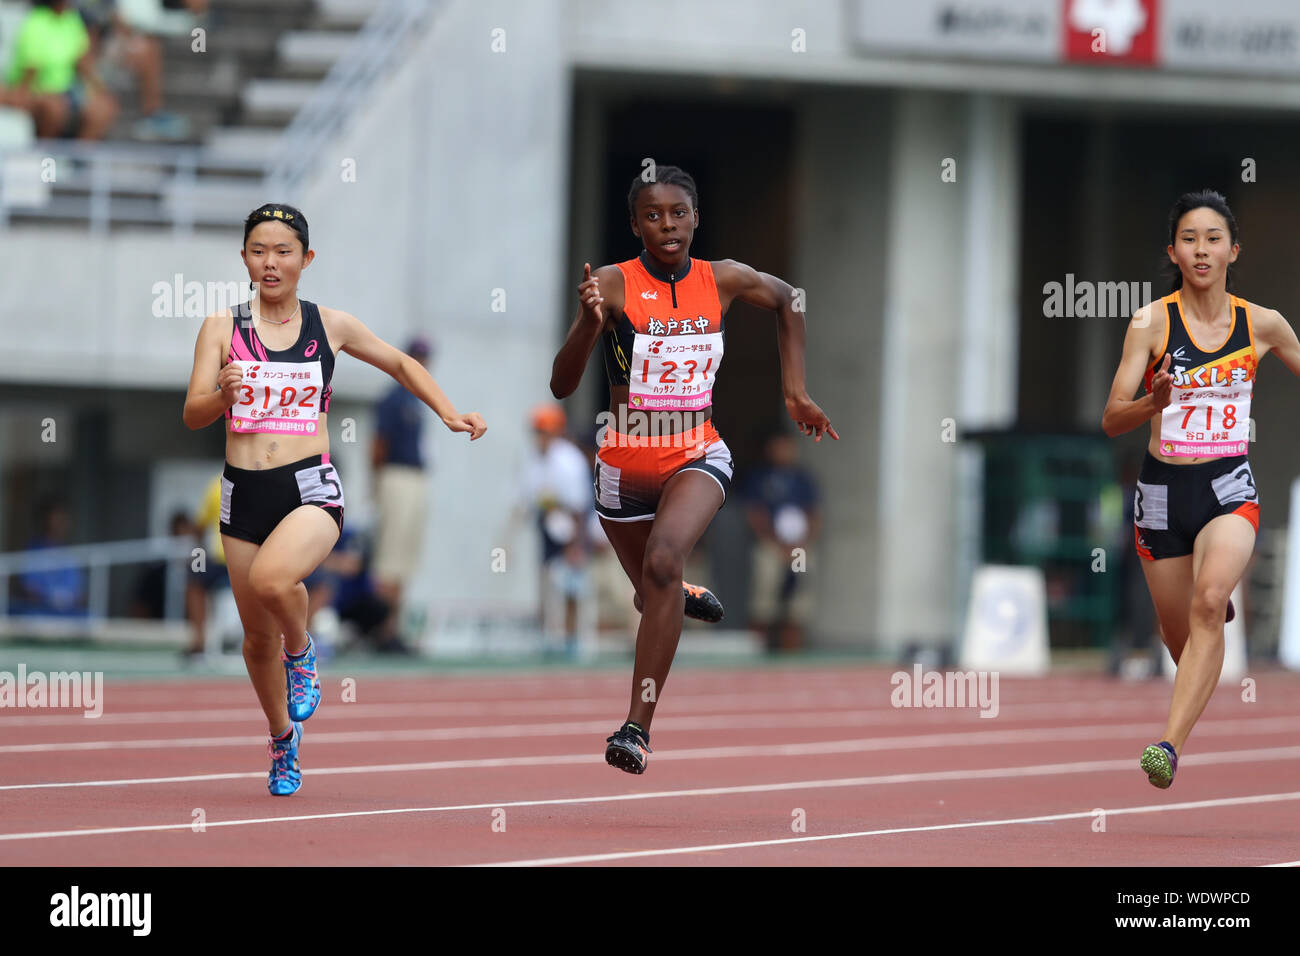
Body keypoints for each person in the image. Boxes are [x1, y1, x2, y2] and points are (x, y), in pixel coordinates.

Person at [182, 202, 486, 795]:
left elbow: (399, 362)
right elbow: (193, 414)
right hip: (242, 493)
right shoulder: (221, 328)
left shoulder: (332, 326)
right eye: (259, 251)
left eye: (283, 252)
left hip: (309, 487)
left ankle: (303, 652)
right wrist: (222, 392)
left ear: (305, 259)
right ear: (244, 257)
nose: (270, 263)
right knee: (252, 639)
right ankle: (281, 741)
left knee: (275, 583)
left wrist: (448, 413)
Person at [549, 165, 838, 774]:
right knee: (651, 593)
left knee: (660, 562)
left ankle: (636, 728)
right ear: (636, 225)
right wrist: (589, 323)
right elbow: (561, 383)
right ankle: (675, 594)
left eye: (678, 212)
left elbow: (789, 299)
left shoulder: (724, 279)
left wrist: (795, 392)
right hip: (623, 459)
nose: (667, 225)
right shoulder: (612, 283)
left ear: (696, 217)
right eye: (653, 215)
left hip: (694, 449)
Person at [1102, 189, 1300, 789]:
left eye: (1214, 238)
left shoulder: (1262, 324)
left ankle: (1168, 746)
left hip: (1226, 485)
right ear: (1174, 252)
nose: (1202, 249)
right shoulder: (1151, 322)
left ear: (1233, 250)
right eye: (1189, 239)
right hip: (1161, 491)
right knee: (1180, 635)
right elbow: (1112, 419)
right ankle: (1205, 615)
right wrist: (1152, 402)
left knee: (1210, 601)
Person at [370, 335, 432, 642]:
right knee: (390, 553)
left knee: (406, 554)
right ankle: (382, 628)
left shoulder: (417, 398)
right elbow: (378, 446)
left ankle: (394, 625)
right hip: (396, 475)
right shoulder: (393, 398)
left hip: (415, 477)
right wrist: (378, 484)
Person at [743, 428, 821, 653]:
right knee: (765, 593)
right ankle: (756, 650)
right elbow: (754, 513)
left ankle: (792, 651)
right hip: (771, 546)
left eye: (788, 447)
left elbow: (814, 513)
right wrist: (776, 542)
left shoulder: (803, 478)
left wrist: (803, 543)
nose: (784, 452)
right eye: (779, 447)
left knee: (798, 597)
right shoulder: (760, 477)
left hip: (800, 548)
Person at [5, 0, 118, 140]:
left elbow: (81, 61)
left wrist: (99, 89)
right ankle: (46, 155)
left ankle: (79, 156)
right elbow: (31, 70)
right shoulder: (36, 21)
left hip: (68, 89)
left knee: (104, 108)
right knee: (55, 108)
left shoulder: (71, 19)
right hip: (38, 89)